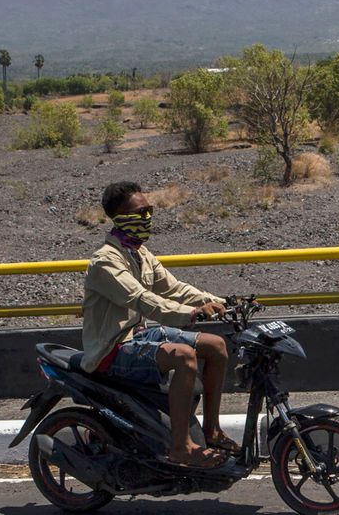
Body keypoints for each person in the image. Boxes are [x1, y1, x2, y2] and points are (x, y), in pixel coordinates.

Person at [81, 181, 232, 469]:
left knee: (216, 346)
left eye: (150, 211)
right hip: (111, 349)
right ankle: (180, 447)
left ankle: (211, 431)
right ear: (120, 217)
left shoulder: (140, 253)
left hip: (137, 335)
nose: (148, 218)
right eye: (141, 213)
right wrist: (192, 313)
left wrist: (221, 302)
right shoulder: (105, 262)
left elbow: (175, 288)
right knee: (183, 356)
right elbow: (143, 299)